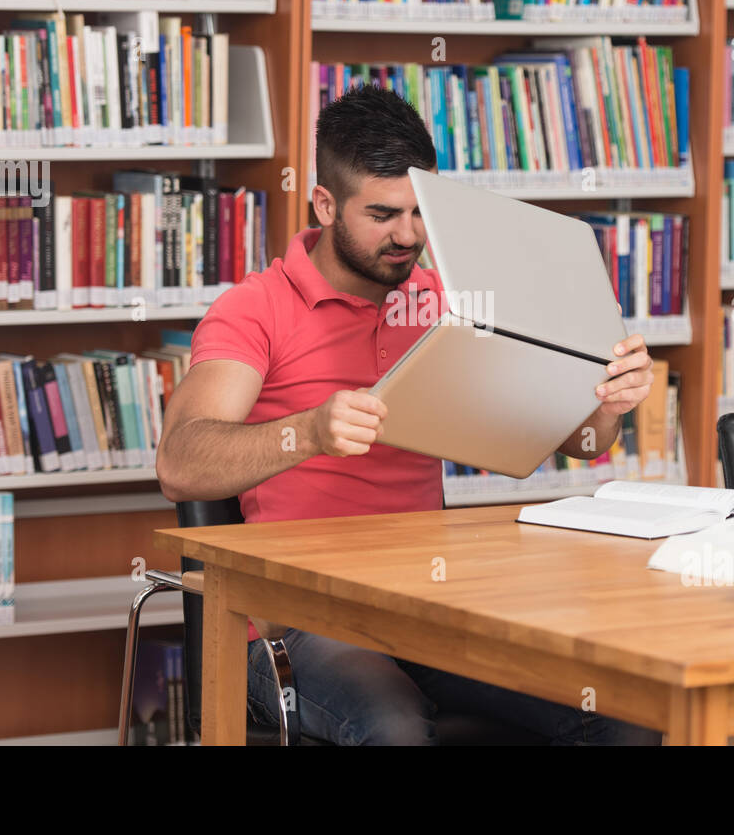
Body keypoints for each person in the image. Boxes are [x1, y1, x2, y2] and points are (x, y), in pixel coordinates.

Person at [156, 82, 660, 745]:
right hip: (298, 618)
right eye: (384, 214)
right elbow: (180, 463)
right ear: (325, 203)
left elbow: (582, 440)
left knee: (624, 714)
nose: (408, 236)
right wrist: (307, 430)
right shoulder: (257, 309)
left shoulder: (450, 298)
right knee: (392, 727)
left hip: (429, 602)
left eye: (421, 213)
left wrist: (607, 398)